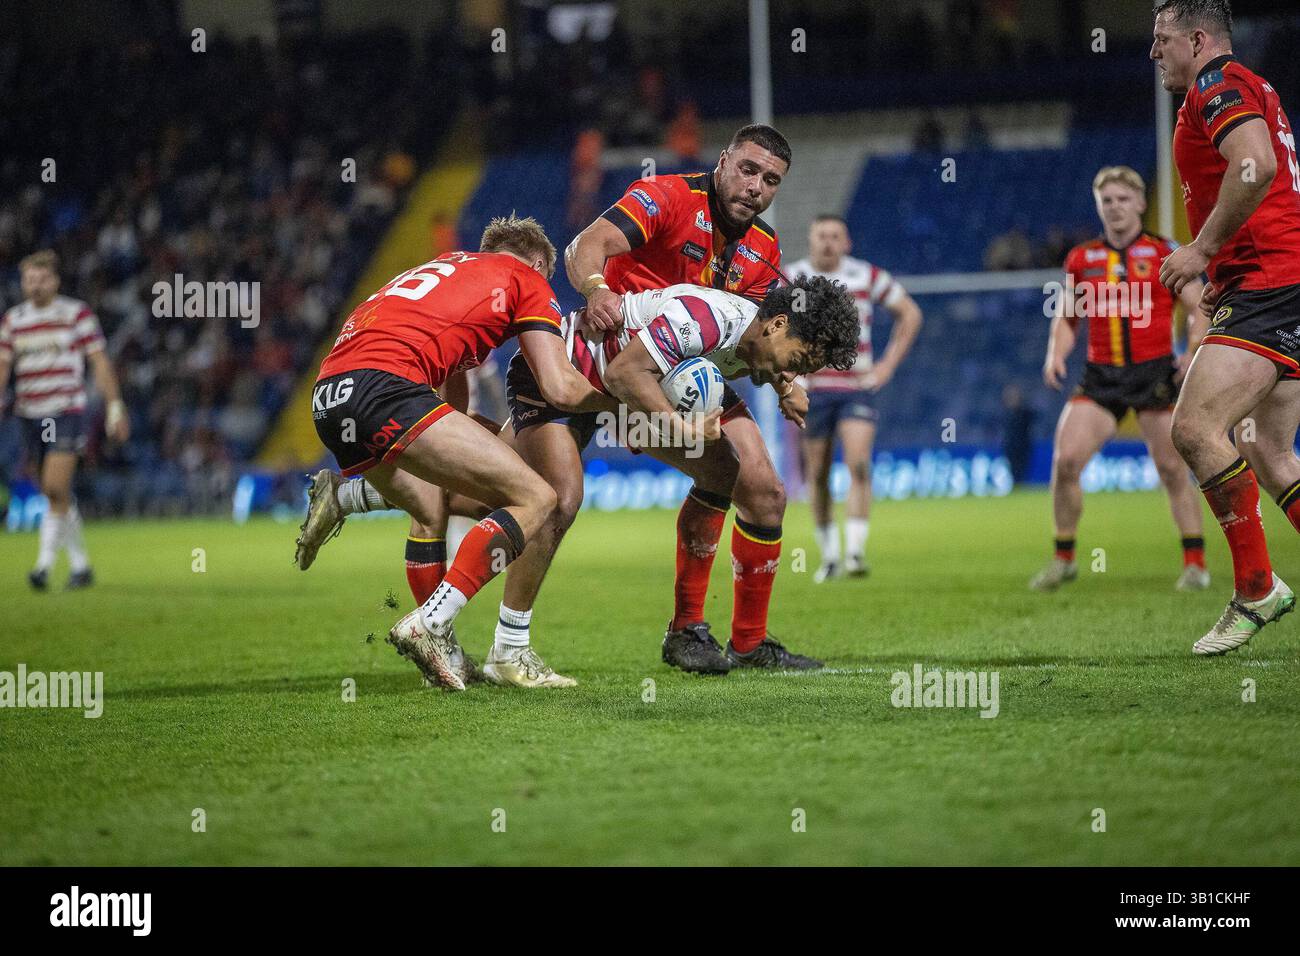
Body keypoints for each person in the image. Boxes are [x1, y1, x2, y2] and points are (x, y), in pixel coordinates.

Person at [297, 215, 613, 689]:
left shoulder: (449, 270)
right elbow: (560, 387)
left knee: (429, 506)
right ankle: (430, 623)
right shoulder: (525, 277)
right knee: (538, 499)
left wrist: (482, 440)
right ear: (538, 262)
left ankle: (345, 499)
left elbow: (451, 405)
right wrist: (626, 399)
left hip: (330, 395)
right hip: (386, 387)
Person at [494, 276, 858, 677]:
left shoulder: (756, 340)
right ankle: (473, 618)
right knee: (523, 500)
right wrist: (683, 429)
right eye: (799, 360)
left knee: (722, 468)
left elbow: (762, 356)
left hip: (612, 392)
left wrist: (784, 385)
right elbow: (623, 373)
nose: (795, 371)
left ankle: (687, 630)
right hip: (570, 372)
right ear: (776, 325)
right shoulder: (706, 318)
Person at [562, 123, 816, 673]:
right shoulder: (667, 196)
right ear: (723, 161)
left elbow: (753, 340)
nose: (755, 187)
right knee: (520, 495)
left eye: (770, 180)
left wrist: (785, 381)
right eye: (748, 170)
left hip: (689, 369)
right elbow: (590, 246)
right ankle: (367, 493)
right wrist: (596, 289)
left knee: (767, 495)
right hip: (614, 362)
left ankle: (742, 643)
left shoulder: (764, 248)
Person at [1152, 0, 1300, 654]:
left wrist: (1202, 250)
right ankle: (1258, 584)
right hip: (1277, 277)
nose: (1155, 52)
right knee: (1271, 452)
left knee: (1194, 428)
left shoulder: (1218, 84)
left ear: (1199, 39)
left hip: (1271, 281)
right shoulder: (1243, 85)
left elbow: (1255, 166)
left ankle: (1258, 588)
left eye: (1163, 40)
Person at [1031, 165, 1209, 593]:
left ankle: (1195, 564)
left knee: (1171, 468)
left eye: (1122, 199)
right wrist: (1055, 353)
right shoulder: (1082, 259)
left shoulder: (1166, 253)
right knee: (1066, 461)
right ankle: (1064, 558)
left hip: (1156, 374)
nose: (1114, 208)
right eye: (1106, 201)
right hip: (1100, 377)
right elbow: (1068, 315)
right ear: (1099, 206)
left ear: (1140, 204)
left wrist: (1192, 353)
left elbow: (1201, 306)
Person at [788, 216, 922, 581]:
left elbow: (910, 313)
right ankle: (829, 556)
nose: (828, 243)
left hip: (855, 387)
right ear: (810, 240)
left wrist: (887, 366)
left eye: (835, 236)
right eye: (821, 236)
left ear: (846, 242)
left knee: (858, 464)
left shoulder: (866, 275)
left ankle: (855, 553)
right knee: (817, 474)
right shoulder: (792, 277)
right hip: (813, 389)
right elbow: (772, 328)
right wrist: (791, 374)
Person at [0, 250, 129, 590]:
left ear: (55, 281)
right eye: (29, 280)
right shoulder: (13, 320)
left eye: (42, 279)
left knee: (55, 487)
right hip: (29, 413)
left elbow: (99, 361)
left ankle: (42, 566)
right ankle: (81, 565)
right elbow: (3, 366)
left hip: (64, 410)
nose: (35, 286)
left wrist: (114, 405)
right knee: (53, 492)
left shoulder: (76, 314)